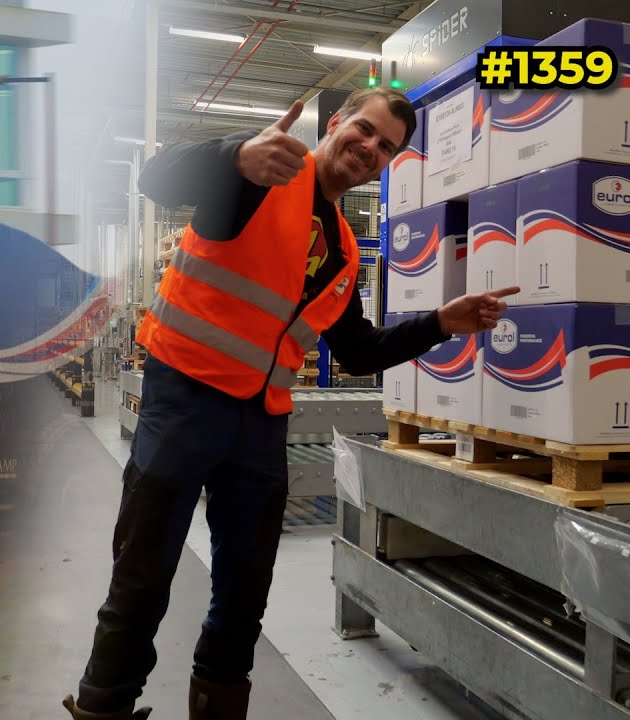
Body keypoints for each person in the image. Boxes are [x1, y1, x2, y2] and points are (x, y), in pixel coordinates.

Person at [61, 87, 518, 720]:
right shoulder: (262, 173)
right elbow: (157, 178)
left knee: (246, 590)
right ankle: (104, 706)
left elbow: (356, 351)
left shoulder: (344, 251)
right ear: (335, 123)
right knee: (143, 574)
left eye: (387, 147)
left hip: (260, 422)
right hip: (185, 398)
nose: (370, 149)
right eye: (364, 130)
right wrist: (234, 156)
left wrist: (441, 322)